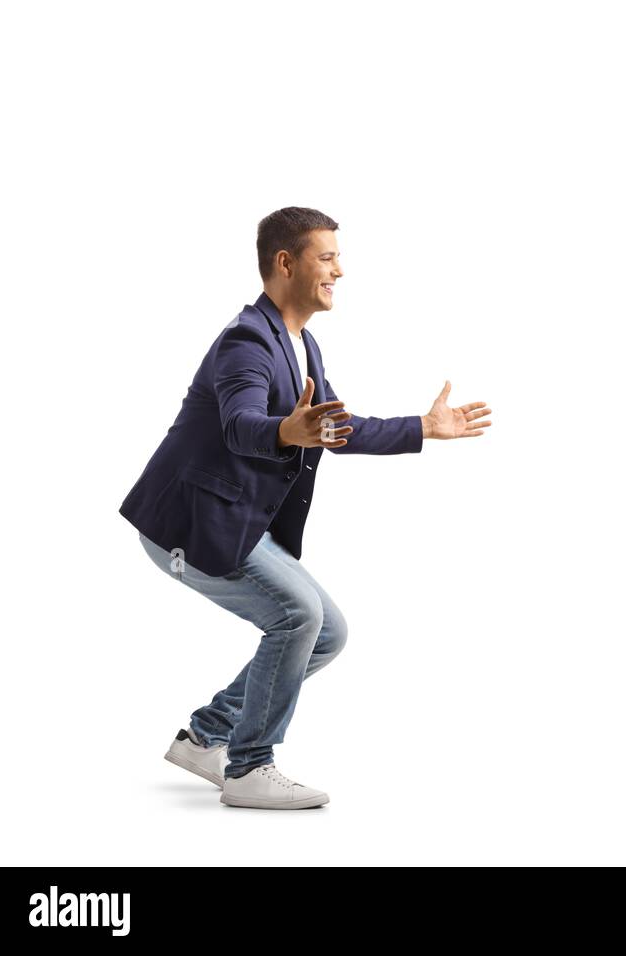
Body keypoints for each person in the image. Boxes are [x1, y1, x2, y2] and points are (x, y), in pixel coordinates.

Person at [120, 206, 492, 809]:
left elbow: (336, 429)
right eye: (327, 257)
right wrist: (286, 431)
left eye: (338, 257)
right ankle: (248, 769)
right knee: (298, 616)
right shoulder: (246, 341)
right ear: (285, 263)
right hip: (188, 524)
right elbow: (243, 425)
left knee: (327, 630)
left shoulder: (302, 344)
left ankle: (207, 735)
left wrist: (424, 427)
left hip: (237, 521)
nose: (340, 270)